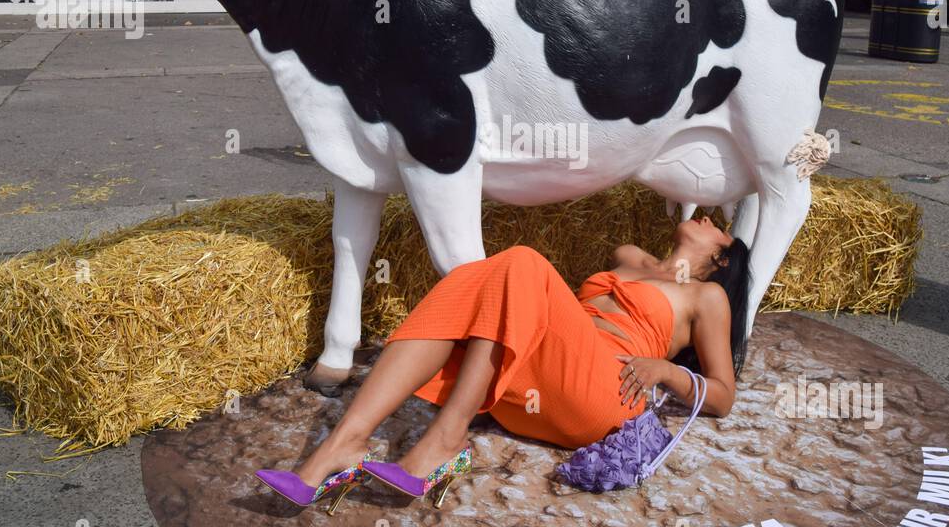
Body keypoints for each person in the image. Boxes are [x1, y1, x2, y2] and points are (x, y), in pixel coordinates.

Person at [255, 218, 750, 511]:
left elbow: (723, 396)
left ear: (722, 259)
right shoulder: (630, 256)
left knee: (521, 262)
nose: (708, 218)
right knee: (472, 279)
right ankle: (344, 444)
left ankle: (445, 439)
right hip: (531, 391)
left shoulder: (705, 297)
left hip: (605, 394)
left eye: (718, 228)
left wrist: (666, 371)